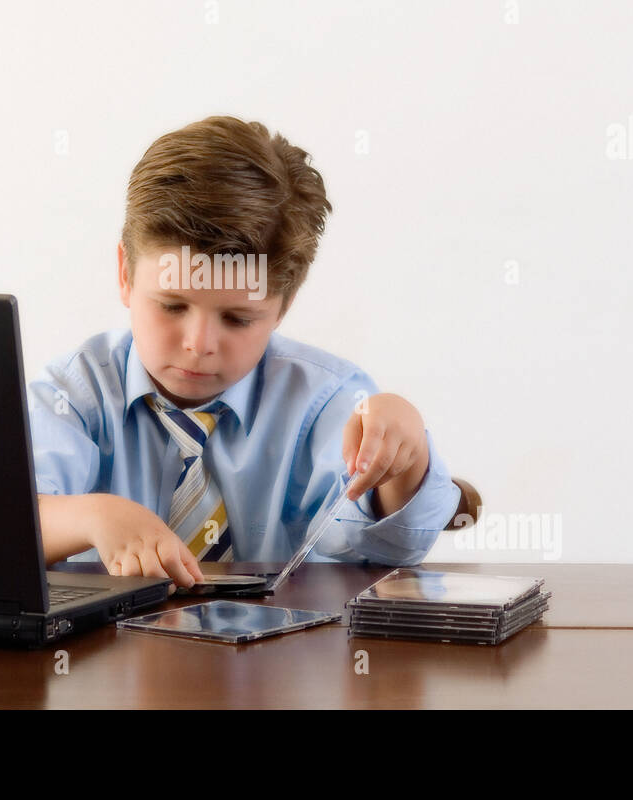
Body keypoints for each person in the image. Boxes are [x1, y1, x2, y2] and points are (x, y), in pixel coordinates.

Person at [29, 116, 460, 589]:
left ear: (283, 305)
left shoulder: (325, 402)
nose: (199, 344)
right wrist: (92, 515)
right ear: (125, 275)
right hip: (110, 658)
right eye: (172, 305)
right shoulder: (76, 395)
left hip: (276, 658)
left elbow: (390, 550)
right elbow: (0, 523)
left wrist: (407, 454)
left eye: (237, 318)